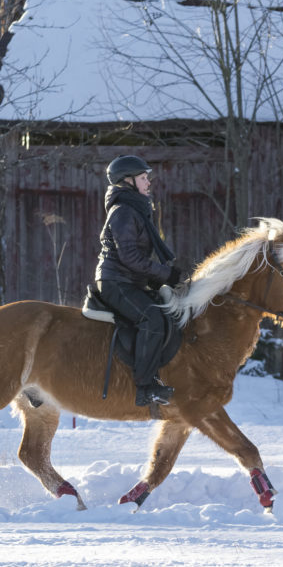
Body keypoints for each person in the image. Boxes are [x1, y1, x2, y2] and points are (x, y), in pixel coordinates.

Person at [94, 155, 186, 406]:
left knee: (163, 311)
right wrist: (166, 275)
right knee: (152, 318)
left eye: (147, 178)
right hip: (115, 281)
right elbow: (131, 258)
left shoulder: (134, 209)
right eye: (143, 178)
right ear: (128, 181)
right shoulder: (123, 212)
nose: (148, 183)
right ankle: (145, 387)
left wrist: (160, 280)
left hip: (128, 280)